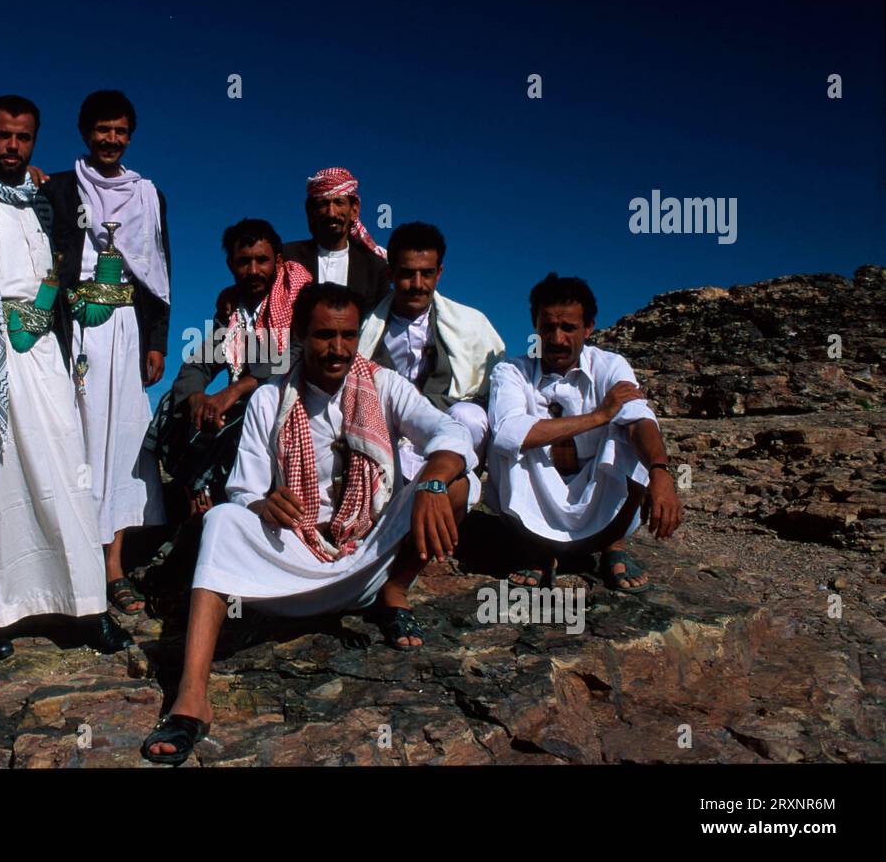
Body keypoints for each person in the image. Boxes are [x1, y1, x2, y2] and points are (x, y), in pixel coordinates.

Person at [139, 283, 478, 765]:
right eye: (323, 336)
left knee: (458, 485)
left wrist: (433, 484)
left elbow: (451, 431)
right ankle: (192, 696)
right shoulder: (269, 399)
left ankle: (395, 593)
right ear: (300, 334)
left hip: (368, 558)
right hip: (292, 563)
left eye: (347, 335)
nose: (337, 349)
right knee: (222, 521)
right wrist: (262, 506)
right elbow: (243, 489)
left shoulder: (384, 386)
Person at [0, 94, 131, 660]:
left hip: (40, 348)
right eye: (2, 136)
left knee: (63, 471)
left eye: (24, 137)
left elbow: (58, 263)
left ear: (35, 139)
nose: (12, 147)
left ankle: (83, 604)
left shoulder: (40, 201)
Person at [42, 90, 170, 617]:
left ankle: (114, 564)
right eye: (101, 130)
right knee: (75, 437)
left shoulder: (148, 195)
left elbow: (159, 268)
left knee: (120, 440)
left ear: (130, 135)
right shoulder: (59, 187)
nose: (110, 139)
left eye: (119, 131)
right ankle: (73, 560)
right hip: (73, 327)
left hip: (126, 330)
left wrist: (157, 339)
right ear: (84, 132)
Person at [484, 273, 683, 591]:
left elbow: (639, 419)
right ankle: (537, 549)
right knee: (510, 440)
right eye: (548, 327)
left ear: (589, 327)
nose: (557, 339)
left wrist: (661, 472)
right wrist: (599, 415)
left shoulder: (610, 365)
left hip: (598, 496)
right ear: (536, 325)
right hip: (535, 497)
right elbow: (509, 433)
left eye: (569, 328)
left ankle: (613, 546)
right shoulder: (511, 371)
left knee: (626, 431)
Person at [147, 218, 311, 515]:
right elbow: (198, 364)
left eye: (261, 261)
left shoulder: (299, 300)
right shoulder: (232, 311)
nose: (253, 271)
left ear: (277, 260)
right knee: (174, 403)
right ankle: (191, 494)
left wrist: (235, 389)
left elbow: (296, 354)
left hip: (285, 402)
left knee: (242, 414)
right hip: (241, 402)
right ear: (230, 264)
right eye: (243, 262)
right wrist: (197, 398)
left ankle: (206, 494)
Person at [357, 222, 505, 479]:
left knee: (469, 416)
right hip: (386, 429)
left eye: (426, 273)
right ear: (390, 274)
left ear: (439, 273)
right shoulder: (365, 327)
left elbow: (487, 392)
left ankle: (452, 489)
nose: (417, 284)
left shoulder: (470, 324)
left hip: (444, 427)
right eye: (407, 274)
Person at [281, 167, 390, 313]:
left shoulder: (375, 267)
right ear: (311, 211)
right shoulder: (288, 257)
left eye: (339, 203)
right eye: (323, 204)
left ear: (354, 210)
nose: (331, 213)